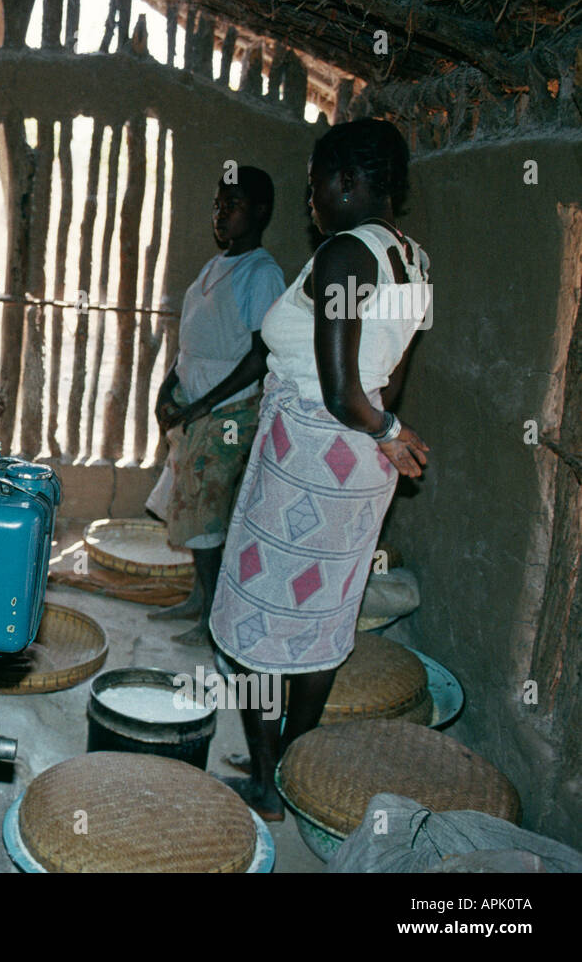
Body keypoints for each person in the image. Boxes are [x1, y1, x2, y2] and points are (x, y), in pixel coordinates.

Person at [209, 118, 431, 821]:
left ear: (345, 182)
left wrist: (385, 428)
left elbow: (339, 388)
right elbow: (387, 381)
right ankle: (290, 764)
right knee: (319, 622)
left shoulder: (344, 255)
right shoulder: (414, 261)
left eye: (313, 188)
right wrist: (385, 434)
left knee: (250, 623)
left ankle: (269, 779)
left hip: (307, 460)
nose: (311, 204)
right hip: (361, 471)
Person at [149, 167, 286, 647]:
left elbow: (259, 357)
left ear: (262, 211)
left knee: (205, 511)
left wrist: (203, 406)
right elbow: (191, 341)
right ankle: (197, 598)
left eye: (233, 205)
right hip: (196, 401)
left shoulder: (263, 273)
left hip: (229, 409)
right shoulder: (217, 264)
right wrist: (169, 390)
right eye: (217, 204)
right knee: (188, 502)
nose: (220, 214)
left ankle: (213, 620)